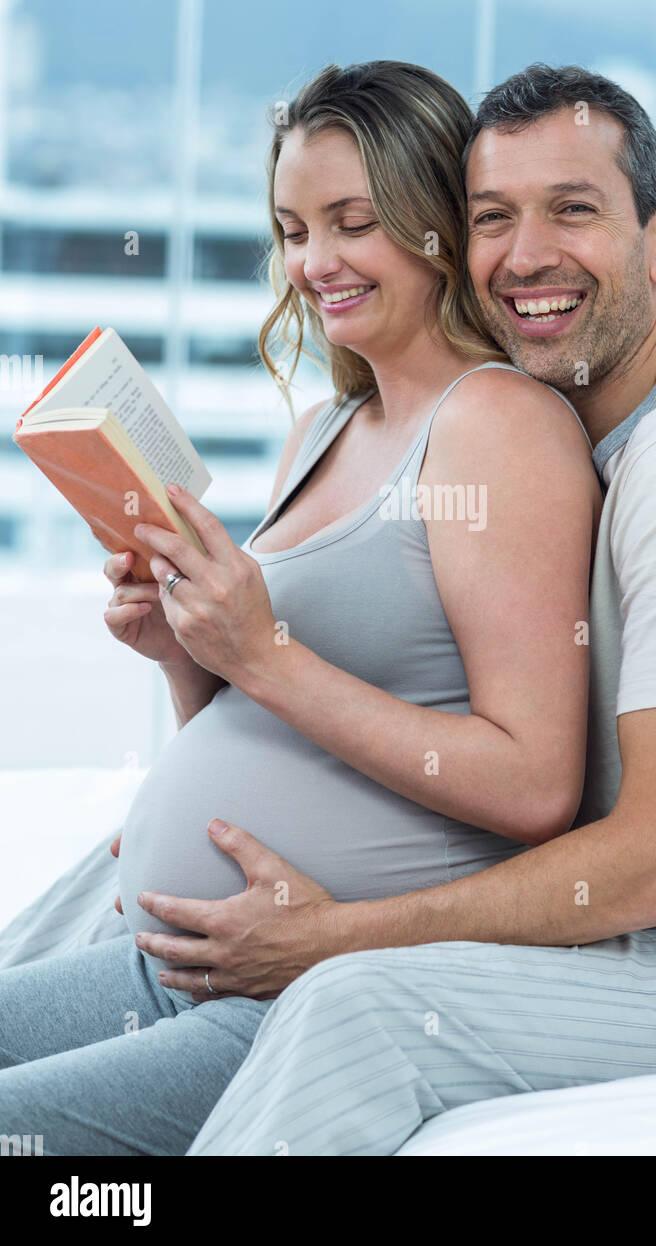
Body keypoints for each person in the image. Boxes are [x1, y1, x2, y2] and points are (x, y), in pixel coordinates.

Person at [0, 61, 600, 1155]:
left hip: (303, 989)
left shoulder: (496, 428)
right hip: (186, 952)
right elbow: (262, 729)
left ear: (429, 225)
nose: (313, 262)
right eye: (290, 229)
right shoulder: (326, 426)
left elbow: (534, 783)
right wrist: (184, 651)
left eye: (351, 223)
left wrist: (261, 651)